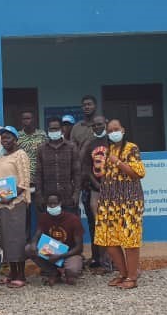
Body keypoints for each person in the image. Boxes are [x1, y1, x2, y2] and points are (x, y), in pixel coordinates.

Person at [95, 119, 146, 290]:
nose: (113, 133)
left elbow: (138, 173)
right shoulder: (107, 150)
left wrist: (117, 161)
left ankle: (132, 276)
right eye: (110, 131)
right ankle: (123, 274)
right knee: (109, 239)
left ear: (123, 130)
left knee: (130, 240)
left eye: (116, 129)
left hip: (129, 201)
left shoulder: (131, 148)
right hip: (109, 201)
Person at [0, 126, 30, 288]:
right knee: (6, 239)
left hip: (16, 203)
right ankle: (12, 273)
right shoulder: (0, 157)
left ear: (15, 139)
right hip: (1, 204)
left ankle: (21, 274)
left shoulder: (20, 155)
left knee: (17, 238)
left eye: (8, 137)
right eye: (3, 138)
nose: (5, 140)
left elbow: (24, 182)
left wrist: (11, 197)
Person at [26, 193, 84, 286]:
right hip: (50, 251)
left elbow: (79, 248)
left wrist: (60, 256)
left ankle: (67, 272)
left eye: (55, 203)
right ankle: (53, 273)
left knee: (72, 272)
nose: (52, 206)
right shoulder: (44, 217)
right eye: (50, 204)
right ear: (46, 205)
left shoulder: (73, 220)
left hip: (69, 253)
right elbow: (37, 234)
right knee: (29, 249)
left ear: (60, 203)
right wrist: (33, 244)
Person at [80, 115, 111, 272]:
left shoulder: (113, 141)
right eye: (95, 125)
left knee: (114, 223)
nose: (98, 127)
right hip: (95, 190)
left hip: (114, 189)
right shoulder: (90, 144)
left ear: (106, 123)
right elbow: (86, 168)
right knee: (100, 225)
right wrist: (97, 185)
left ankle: (115, 262)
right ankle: (102, 261)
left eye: (100, 124)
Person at [35, 117, 82, 215]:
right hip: (48, 198)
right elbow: (38, 175)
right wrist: (39, 196)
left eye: (56, 129)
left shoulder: (71, 147)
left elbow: (77, 173)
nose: (54, 131)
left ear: (62, 130)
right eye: (51, 129)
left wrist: (76, 194)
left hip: (68, 197)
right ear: (48, 130)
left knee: (70, 226)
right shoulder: (41, 149)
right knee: (50, 228)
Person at [17, 110, 46, 237]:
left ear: (34, 119)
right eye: (24, 118)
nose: (27, 121)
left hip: (40, 180)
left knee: (40, 212)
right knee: (24, 214)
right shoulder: (17, 136)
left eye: (29, 118)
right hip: (22, 182)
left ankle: (40, 242)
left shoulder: (42, 135)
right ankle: (27, 243)